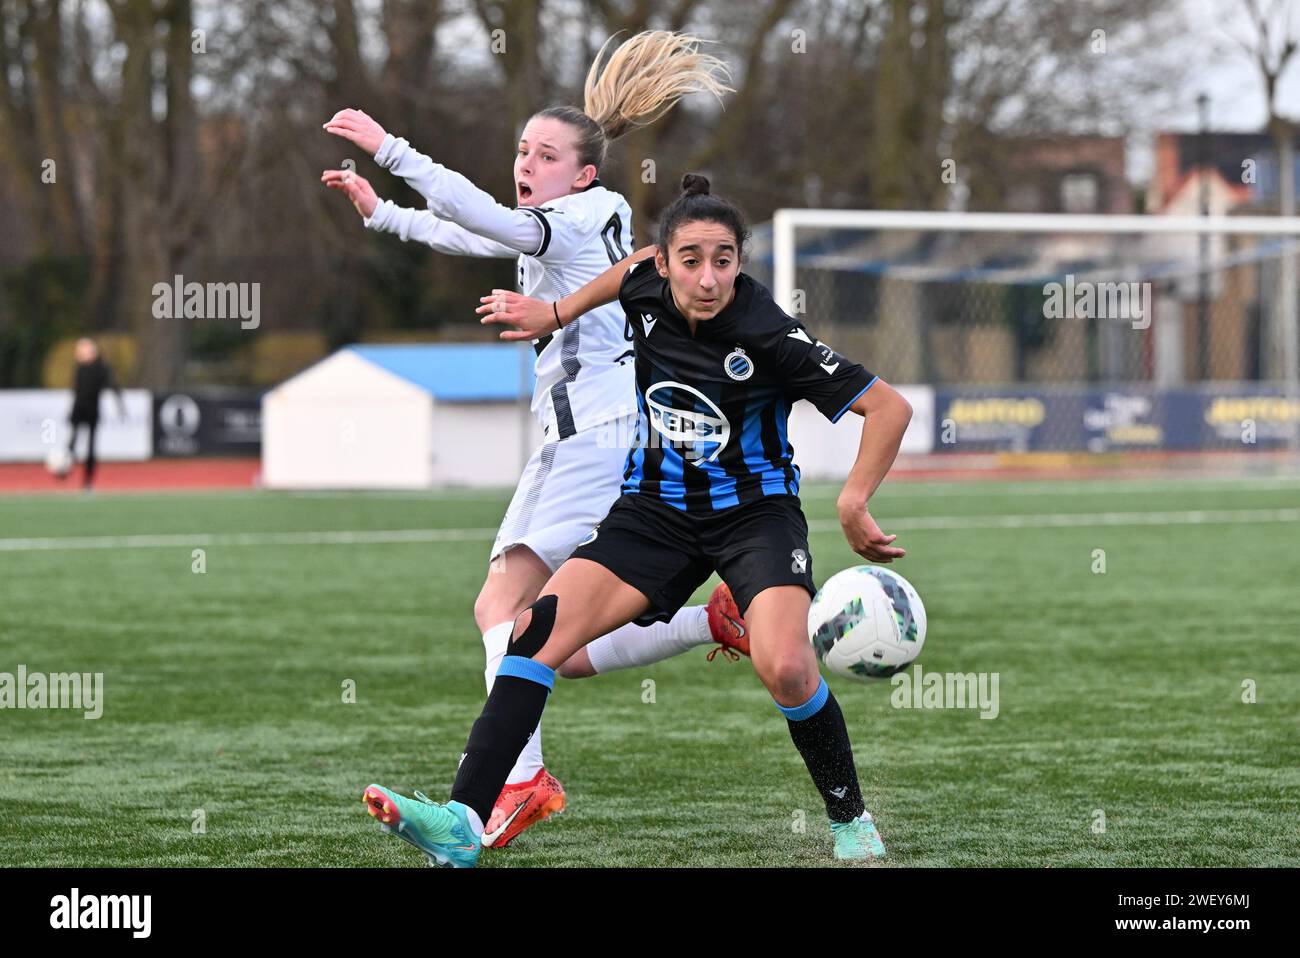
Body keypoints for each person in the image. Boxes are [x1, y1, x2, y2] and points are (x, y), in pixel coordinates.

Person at [362, 175, 914, 867]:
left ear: (741, 261)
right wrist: (554, 312)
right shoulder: (643, 282)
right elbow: (623, 272)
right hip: (655, 510)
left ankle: (850, 817)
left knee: (787, 668)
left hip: (755, 517)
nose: (707, 277)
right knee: (532, 633)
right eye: (690, 259)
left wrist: (853, 501)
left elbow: (889, 407)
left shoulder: (771, 334)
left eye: (723, 259)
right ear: (665, 262)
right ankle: (463, 820)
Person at [321, 32, 747, 850]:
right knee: (557, 643)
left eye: (544, 154)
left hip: (593, 437)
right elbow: (476, 234)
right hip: (590, 437)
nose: (526, 162)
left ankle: (515, 783)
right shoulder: (574, 217)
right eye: (522, 149)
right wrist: (387, 217)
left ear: (583, 172)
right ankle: (706, 623)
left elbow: (481, 216)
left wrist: (391, 149)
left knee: (502, 610)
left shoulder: (581, 214)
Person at [65, 338, 124, 490]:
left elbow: (113, 385)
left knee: (91, 447)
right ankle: (65, 467)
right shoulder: (79, 368)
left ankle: (88, 481)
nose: (79, 353)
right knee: (72, 442)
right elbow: (76, 391)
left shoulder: (101, 368)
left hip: (92, 410)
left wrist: (120, 406)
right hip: (78, 409)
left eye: (83, 350)